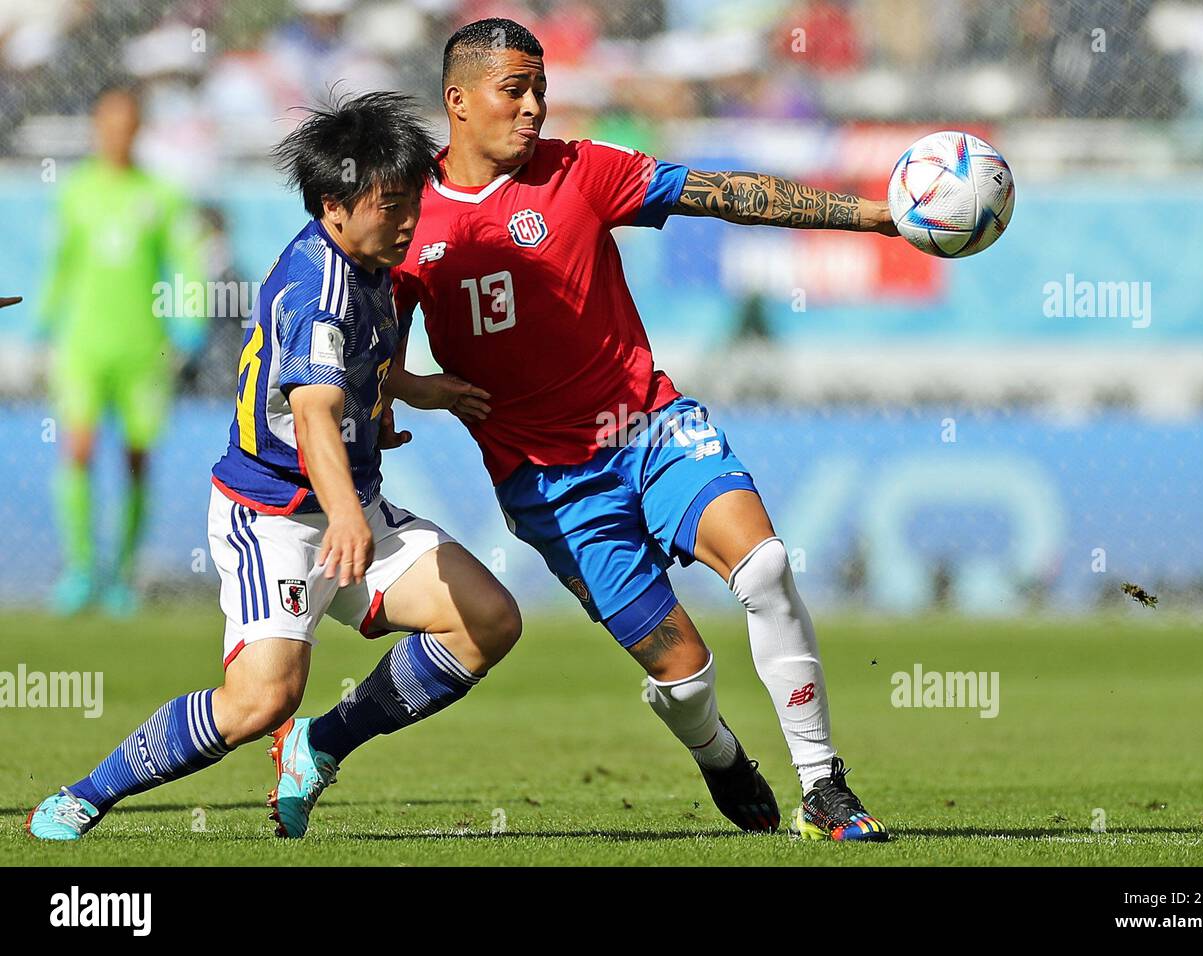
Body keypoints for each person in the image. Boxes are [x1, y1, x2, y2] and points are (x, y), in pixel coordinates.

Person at [385, 19, 900, 842]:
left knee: (764, 567)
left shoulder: (583, 170)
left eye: (540, 90)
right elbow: (378, 353)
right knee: (683, 672)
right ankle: (720, 753)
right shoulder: (410, 218)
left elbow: (727, 195)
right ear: (457, 100)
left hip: (650, 427)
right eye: (512, 91)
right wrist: (414, 392)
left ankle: (824, 787)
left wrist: (870, 215)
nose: (532, 109)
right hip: (547, 481)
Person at [26, 91, 520, 842]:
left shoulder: (367, 257)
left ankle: (320, 747)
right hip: (277, 517)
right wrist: (349, 514)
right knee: (260, 701)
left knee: (487, 621)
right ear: (334, 205)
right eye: (392, 206)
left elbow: (358, 370)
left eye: (413, 201)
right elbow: (315, 411)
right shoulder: (319, 291)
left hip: (348, 504)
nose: (410, 220)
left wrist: (413, 389)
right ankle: (86, 794)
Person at [38, 81, 207, 617]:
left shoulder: (160, 195)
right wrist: (39, 326)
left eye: (126, 124)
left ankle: (124, 574)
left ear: (138, 129)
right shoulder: (75, 192)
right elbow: (60, 268)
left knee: (136, 458)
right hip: (83, 345)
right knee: (79, 449)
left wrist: (190, 327)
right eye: (107, 124)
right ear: (96, 127)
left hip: (142, 347)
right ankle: (81, 568)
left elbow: (187, 263)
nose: (116, 134)